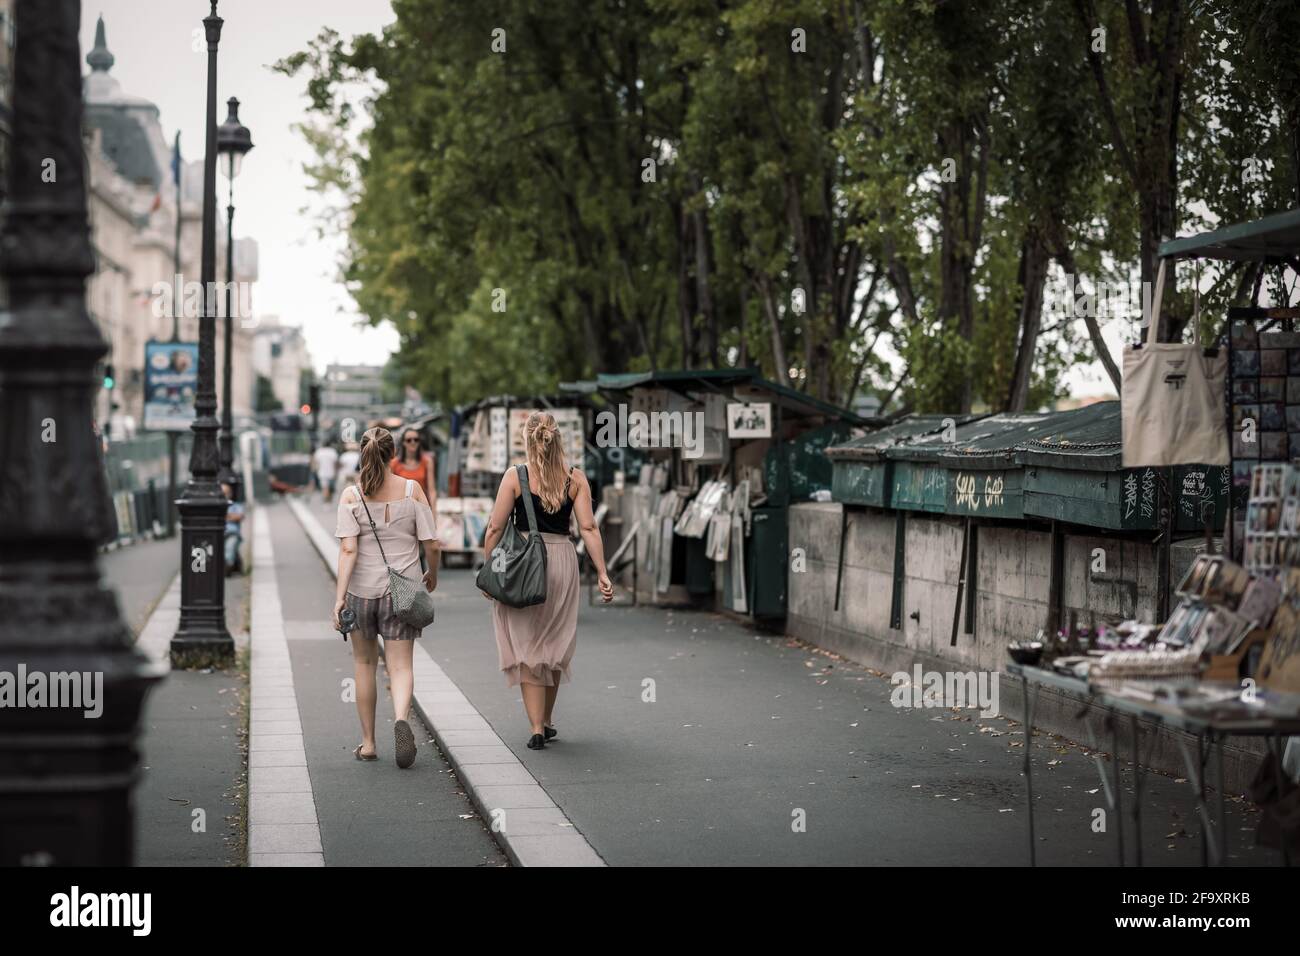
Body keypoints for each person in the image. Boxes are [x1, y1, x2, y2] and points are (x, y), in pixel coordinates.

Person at [481, 411, 613, 751]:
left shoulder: (515, 476)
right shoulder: (575, 478)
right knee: (553, 643)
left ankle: (537, 727)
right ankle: (548, 720)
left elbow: (495, 528)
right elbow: (588, 528)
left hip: (523, 563)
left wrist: (490, 569)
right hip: (563, 563)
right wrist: (602, 572)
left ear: (526, 439)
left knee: (527, 645)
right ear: (559, 439)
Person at [332, 427, 439, 768]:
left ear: (363, 455)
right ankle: (401, 719)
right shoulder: (412, 490)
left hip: (362, 592)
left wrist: (339, 599)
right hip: (402, 592)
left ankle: (367, 743)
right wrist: (431, 573)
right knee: (401, 665)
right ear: (394, 454)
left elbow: (348, 550)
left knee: (364, 664)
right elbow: (430, 542)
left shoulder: (352, 496)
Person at [391, 427, 437, 510]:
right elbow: (391, 490)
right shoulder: (394, 463)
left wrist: (433, 514)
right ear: (403, 443)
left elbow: (431, 491)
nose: (413, 442)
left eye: (416, 440)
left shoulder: (427, 461)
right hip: (401, 510)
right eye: (409, 440)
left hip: (422, 508)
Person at [222, 482, 244, 576]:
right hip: (220, 534)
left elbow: (240, 516)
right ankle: (235, 565)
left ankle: (227, 567)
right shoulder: (217, 506)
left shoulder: (236, 506)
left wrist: (226, 516)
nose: (224, 496)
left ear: (230, 494)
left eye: (226, 493)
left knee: (230, 548)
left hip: (232, 533)